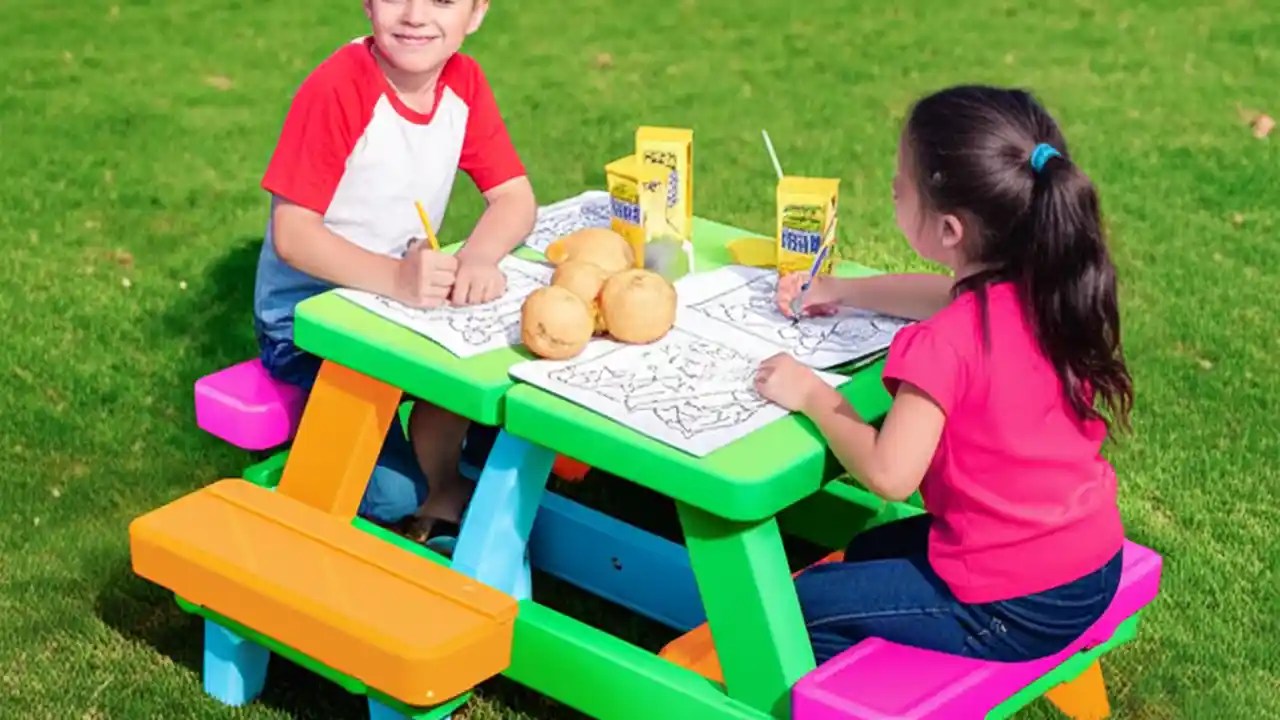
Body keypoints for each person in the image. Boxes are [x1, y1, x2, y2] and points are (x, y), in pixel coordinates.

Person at [754, 85, 1133, 665]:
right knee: (867, 550)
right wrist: (841, 291)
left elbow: (889, 474)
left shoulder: (943, 344)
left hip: (1017, 606)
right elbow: (940, 293)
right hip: (1091, 561)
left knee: (800, 607)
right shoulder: (1046, 289)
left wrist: (811, 392)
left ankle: (857, 697)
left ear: (951, 231)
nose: (891, 189)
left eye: (900, 184)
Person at [252, 0, 536, 548]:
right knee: (390, 498)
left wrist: (478, 258)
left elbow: (514, 198)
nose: (414, 14)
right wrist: (397, 280)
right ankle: (411, 503)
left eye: (443, 1)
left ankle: (447, 489)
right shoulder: (338, 88)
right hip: (308, 321)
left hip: (399, 305)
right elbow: (293, 235)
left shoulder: (464, 82)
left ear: (476, 14)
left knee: (488, 367)